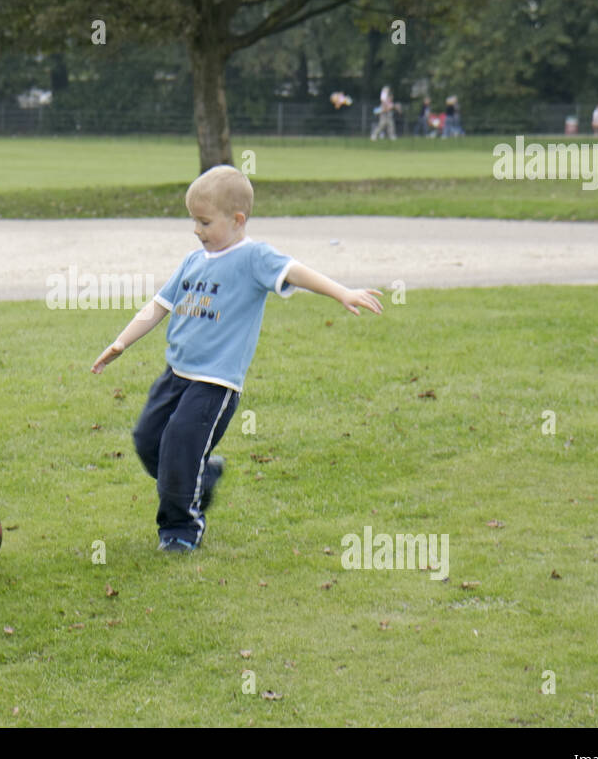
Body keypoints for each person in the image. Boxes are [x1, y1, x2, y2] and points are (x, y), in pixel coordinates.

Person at [90, 166, 384, 550]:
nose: (197, 230)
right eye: (193, 221)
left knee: (180, 446)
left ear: (237, 219)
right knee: (148, 440)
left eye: (205, 222)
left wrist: (341, 292)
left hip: (215, 383)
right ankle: (203, 476)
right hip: (175, 375)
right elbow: (158, 306)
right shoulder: (193, 261)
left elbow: (295, 271)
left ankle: (180, 530)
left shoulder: (253, 258)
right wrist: (120, 343)